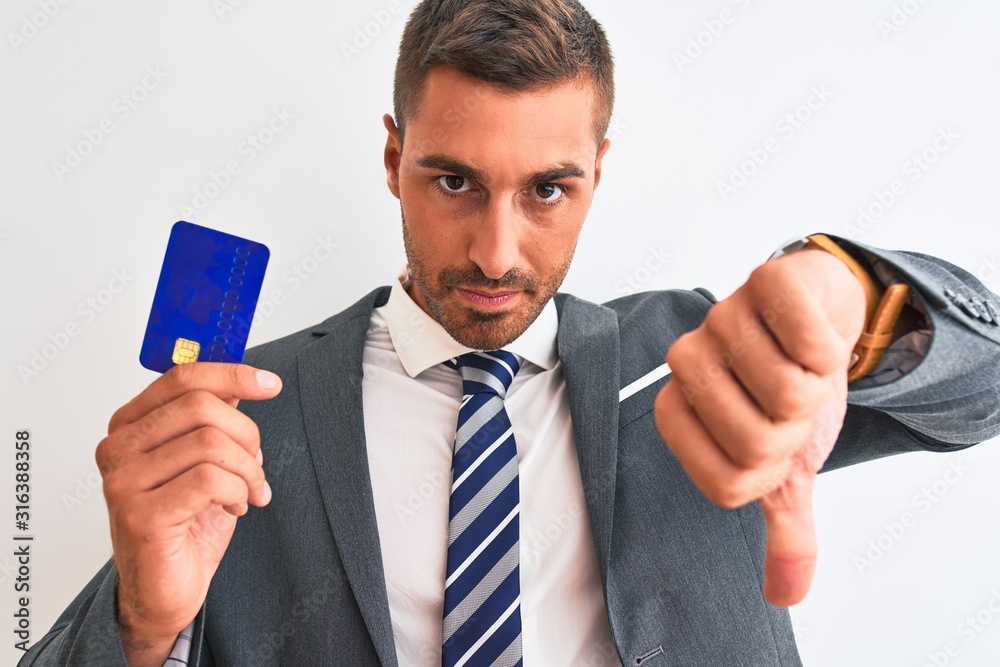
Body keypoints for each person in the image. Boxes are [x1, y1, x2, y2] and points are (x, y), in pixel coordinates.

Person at [21, 1, 1000, 665]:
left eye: (547, 190)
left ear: (597, 173)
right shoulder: (236, 414)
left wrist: (853, 294)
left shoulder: (710, 354)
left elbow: (983, 385)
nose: (495, 253)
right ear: (394, 157)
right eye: (454, 181)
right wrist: (140, 627)